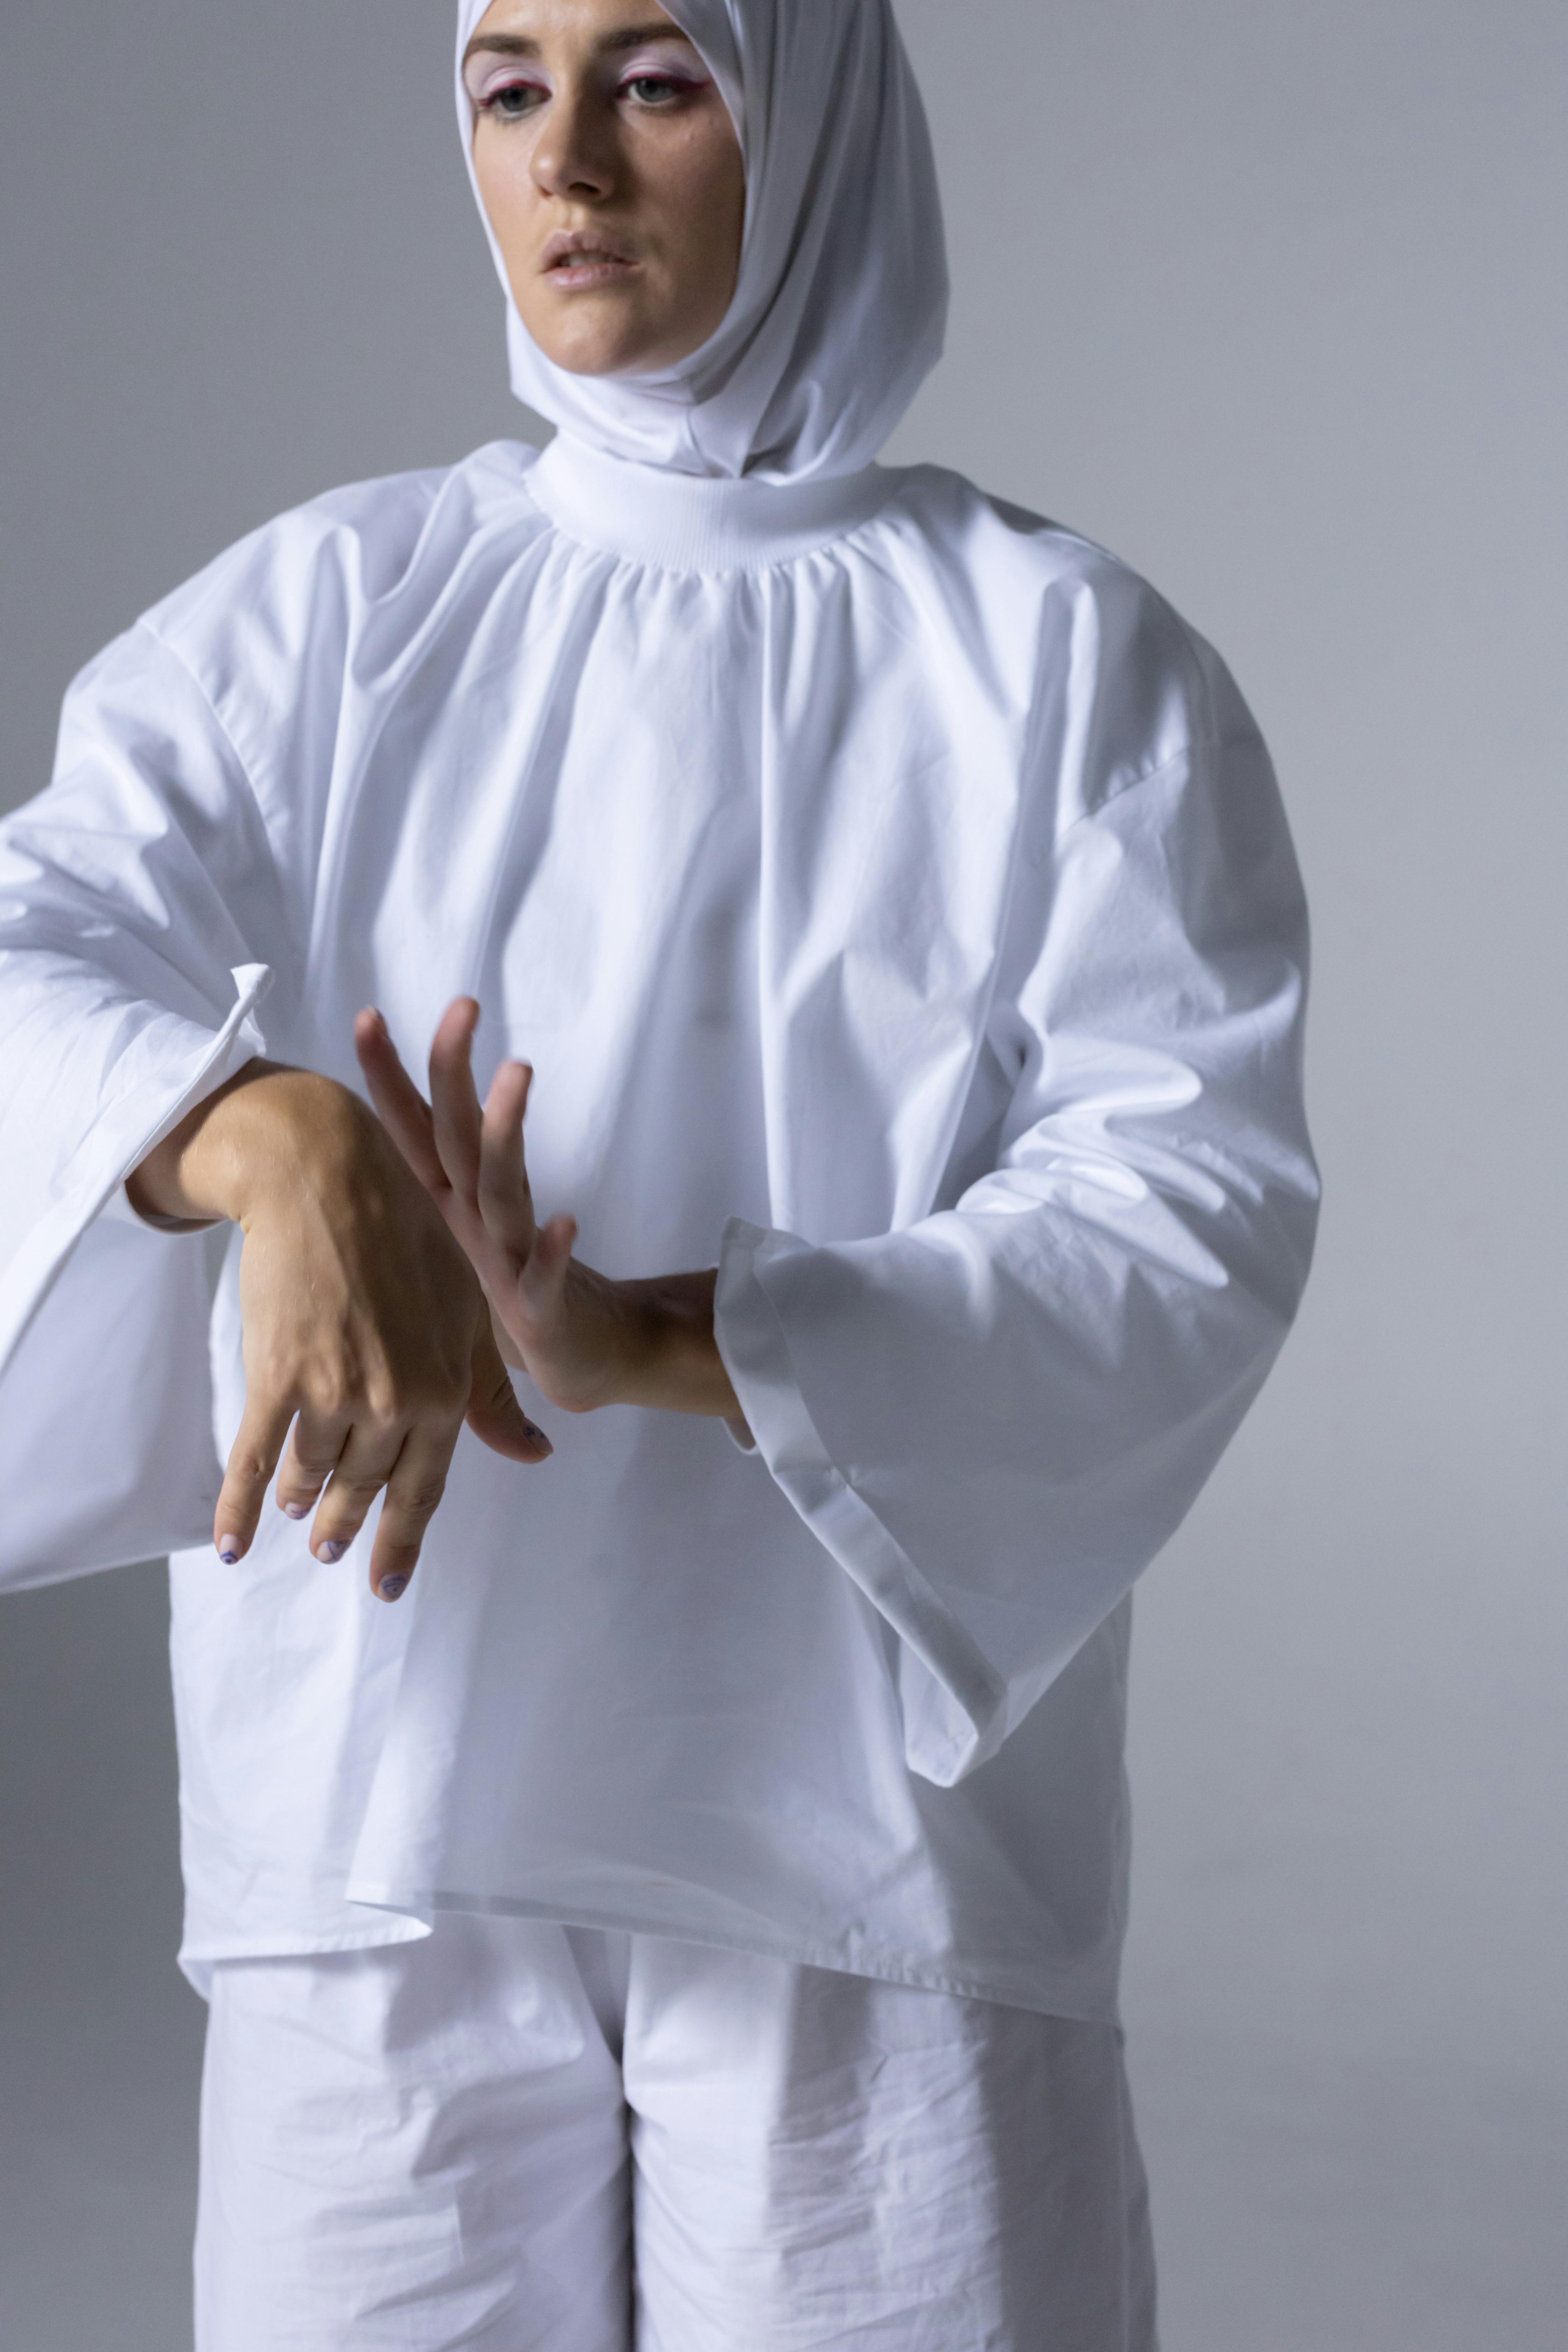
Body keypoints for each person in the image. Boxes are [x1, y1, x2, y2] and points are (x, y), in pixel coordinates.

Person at [0, 0, 1319, 2343]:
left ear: (807, 127)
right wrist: (261, 1137)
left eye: (661, 79)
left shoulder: (1060, 668)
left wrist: (674, 1340)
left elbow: (1182, 1209)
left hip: (860, 1851)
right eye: (510, 88)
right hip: (378, 1819)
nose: (569, 164)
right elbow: (30, 941)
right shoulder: (339, 614)